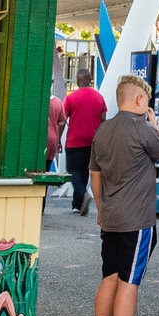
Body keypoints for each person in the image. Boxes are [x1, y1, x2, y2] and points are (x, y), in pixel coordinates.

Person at [87, 75, 159, 316]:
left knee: (109, 276)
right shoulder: (143, 129)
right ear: (140, 100)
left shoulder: (103, 130)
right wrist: (156, 125)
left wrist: (100, 207)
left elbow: (94, 176)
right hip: (136, 220)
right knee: (129, 281)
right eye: (147, 101)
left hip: (110, 217)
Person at [61, 68, 107, 215]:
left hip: (75, 140)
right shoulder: (99, 97)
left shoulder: (71, 98)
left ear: (77, 80)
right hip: (93, 141)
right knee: (85, 172)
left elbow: (63, 120)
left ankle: (82, 194)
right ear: (90, 80)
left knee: (73, 171)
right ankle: (77, 204)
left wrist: (58, 139)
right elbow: (103, 119)